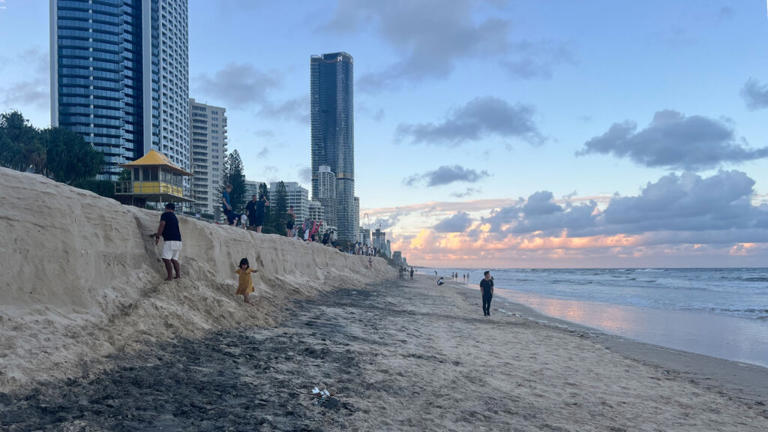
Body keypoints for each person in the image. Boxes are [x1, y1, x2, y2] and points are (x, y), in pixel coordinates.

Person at [155, 203, 182, 281]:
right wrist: (157, 234)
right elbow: (170, 228)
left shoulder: (165, 214)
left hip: (170, 241)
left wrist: (157, 237)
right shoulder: (175, 217)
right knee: (174, 259)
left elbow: (162, 224)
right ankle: (177, 275)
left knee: (166, 259)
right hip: (178, 241)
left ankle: (169, 277)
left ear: (167, 208)